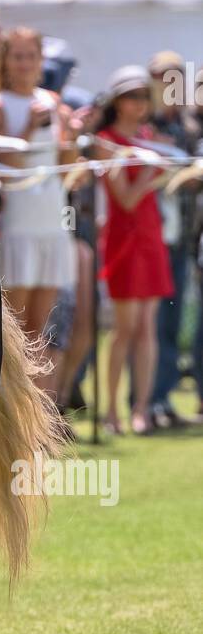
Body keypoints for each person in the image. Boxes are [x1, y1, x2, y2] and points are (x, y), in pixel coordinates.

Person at [0, 29, 75, 375]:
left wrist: (71, 130)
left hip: (51, 212)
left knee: (41, 329)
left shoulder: (52, 100)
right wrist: (28, 127)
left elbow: (65, 162)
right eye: (18, 56)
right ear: (6, 60)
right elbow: (4, 165)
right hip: (17, 215)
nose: (25, 64)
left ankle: (36, 413)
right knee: (15, 325)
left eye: (31, 56)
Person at [97, 65, 175, 436]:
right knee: (124, 328)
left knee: (147, 328)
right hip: (123, 241)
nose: (139, 103)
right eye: (131, 96)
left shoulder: (148, 138)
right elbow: (125, 199)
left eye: (143, 95)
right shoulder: (106, 141)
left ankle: (140, 408)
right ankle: (112, 410)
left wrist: (156, 168)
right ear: (117, 101)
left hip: (150, 238)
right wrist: (149, 175)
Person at [147, 50, 200, 427]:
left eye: (174, 77)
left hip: (183, 237)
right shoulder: (143, 126)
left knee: (173, 318)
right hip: (149, 239)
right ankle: (147, 401)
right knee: (150, 324)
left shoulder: (191, 126)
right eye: (161, 77)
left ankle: (162, 399)